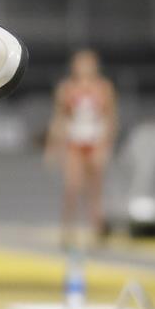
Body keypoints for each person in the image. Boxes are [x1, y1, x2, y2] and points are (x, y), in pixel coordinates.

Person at [48, 50, 116, 249]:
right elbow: (59, 118)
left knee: (94, 190)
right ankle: (68, 230)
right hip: (75, 142)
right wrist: (53, 145)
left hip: (94, 140)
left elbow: (110, 118)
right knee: (72, 186)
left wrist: (106, 145)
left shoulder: (103, 88)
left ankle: (97, 229)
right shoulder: (67, 88)